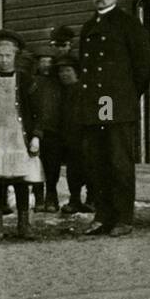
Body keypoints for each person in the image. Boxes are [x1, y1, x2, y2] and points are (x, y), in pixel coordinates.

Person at [75, 0, 150, 238]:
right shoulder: (88, 28)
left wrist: (127, 97)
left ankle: (123, 218)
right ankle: (102, 216)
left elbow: (145, 67)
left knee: (118, 160)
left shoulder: (128, 24)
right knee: (97, 161)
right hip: (93, 103)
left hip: (114, 103)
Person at [0, 30, 43, 240]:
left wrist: (36, 136)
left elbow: (38, 111)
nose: (4, 60)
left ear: (15, 57)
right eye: (0, 56)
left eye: (8, 56)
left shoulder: (26, 81)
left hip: (19, 138)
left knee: (21, 181)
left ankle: (24, 224)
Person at [32, 25, 76, 213]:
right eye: (55, 46)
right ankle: (40, 198)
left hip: (62, 127)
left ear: (69, 45)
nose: (58, 50)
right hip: (41, 128)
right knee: (36, 164)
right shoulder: (35, 80)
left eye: (62, 45)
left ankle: (53, 196)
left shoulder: (70, 69)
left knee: (54, 166)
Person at [48, 53, 90, 216]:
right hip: (67, 137)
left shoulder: (83, 90)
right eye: (61, 72)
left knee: (88, 168)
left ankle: (92, 199)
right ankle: (75, 200)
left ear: (76, 72)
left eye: (67, 71)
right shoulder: (60, 91)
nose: (64, 74)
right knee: (73, 171)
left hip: (83, 136)